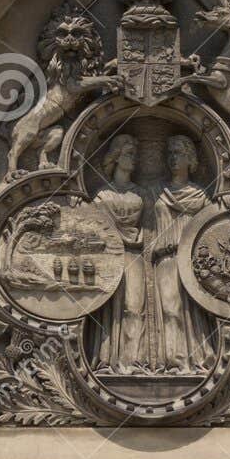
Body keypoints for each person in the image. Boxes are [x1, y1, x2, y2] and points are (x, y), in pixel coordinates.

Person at [151, 133, 209, 371]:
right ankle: (173, 360)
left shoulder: (201, 196)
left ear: (190, 159)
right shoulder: (158, 193)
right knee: (170, 309)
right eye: (170, 154)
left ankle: (198, 360)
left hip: (192, 261)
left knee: (195, 309)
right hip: (165, 259)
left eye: (179, 154)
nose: (173, 159)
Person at [93, 134, 147, 371]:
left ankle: (134, 360)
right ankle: (107, 360)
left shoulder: (141, 195)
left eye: (135, 154)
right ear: (115, 157)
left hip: (134, 255)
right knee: (108, 309)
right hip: (108, 258)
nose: (133, 159)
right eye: (128, 154)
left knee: (134, 306)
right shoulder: (102, 196)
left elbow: (151, 229)